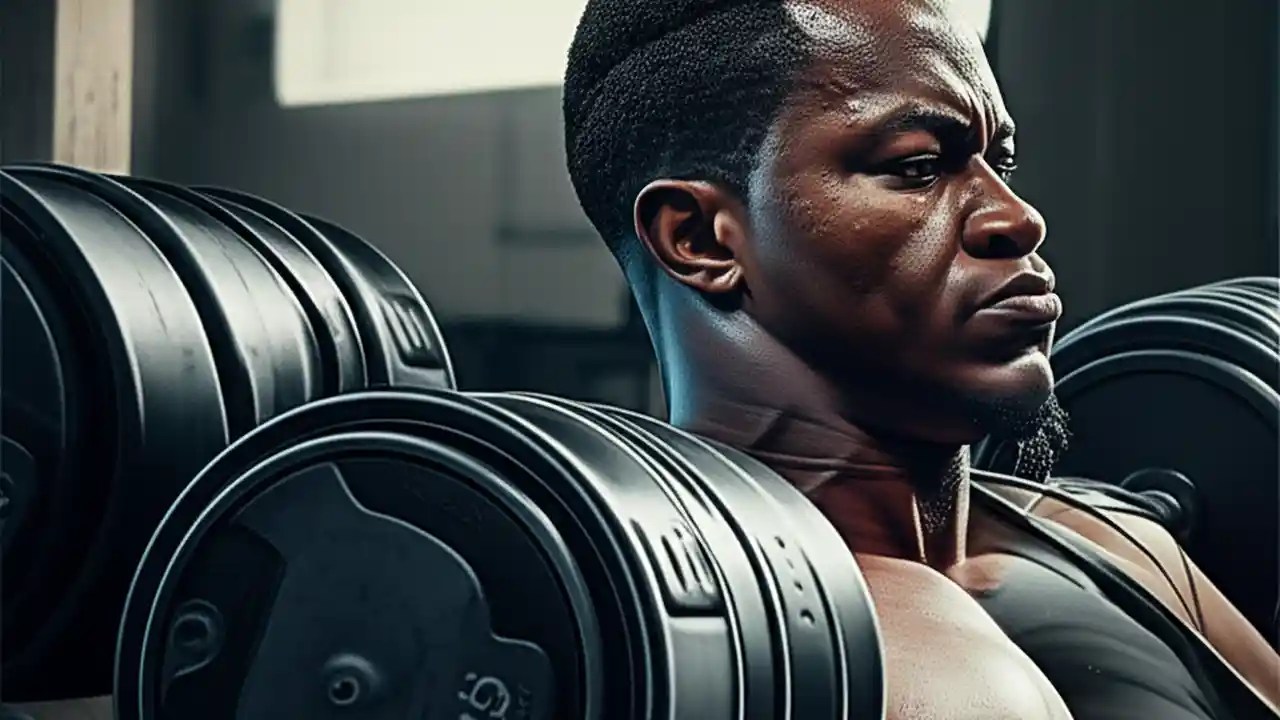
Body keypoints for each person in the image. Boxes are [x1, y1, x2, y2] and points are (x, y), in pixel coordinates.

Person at [562, 0, 1280, 718]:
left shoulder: (1114, 541)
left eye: (999, 161)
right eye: (917, 167)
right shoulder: (836, 658)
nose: (1017, 217)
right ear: (701, 240)